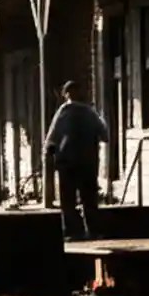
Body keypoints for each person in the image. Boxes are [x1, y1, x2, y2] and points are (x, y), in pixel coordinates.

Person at [44, 80, 109, 241]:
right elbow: (104, 135)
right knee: (89, 198)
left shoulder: (63, 112)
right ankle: (92, 230)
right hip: (87, 161)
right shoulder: (90, 112)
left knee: (68, 199)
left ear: (66, 95)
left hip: (67, 161)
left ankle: (73, 232)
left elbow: (52, 135)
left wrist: (49, 150)